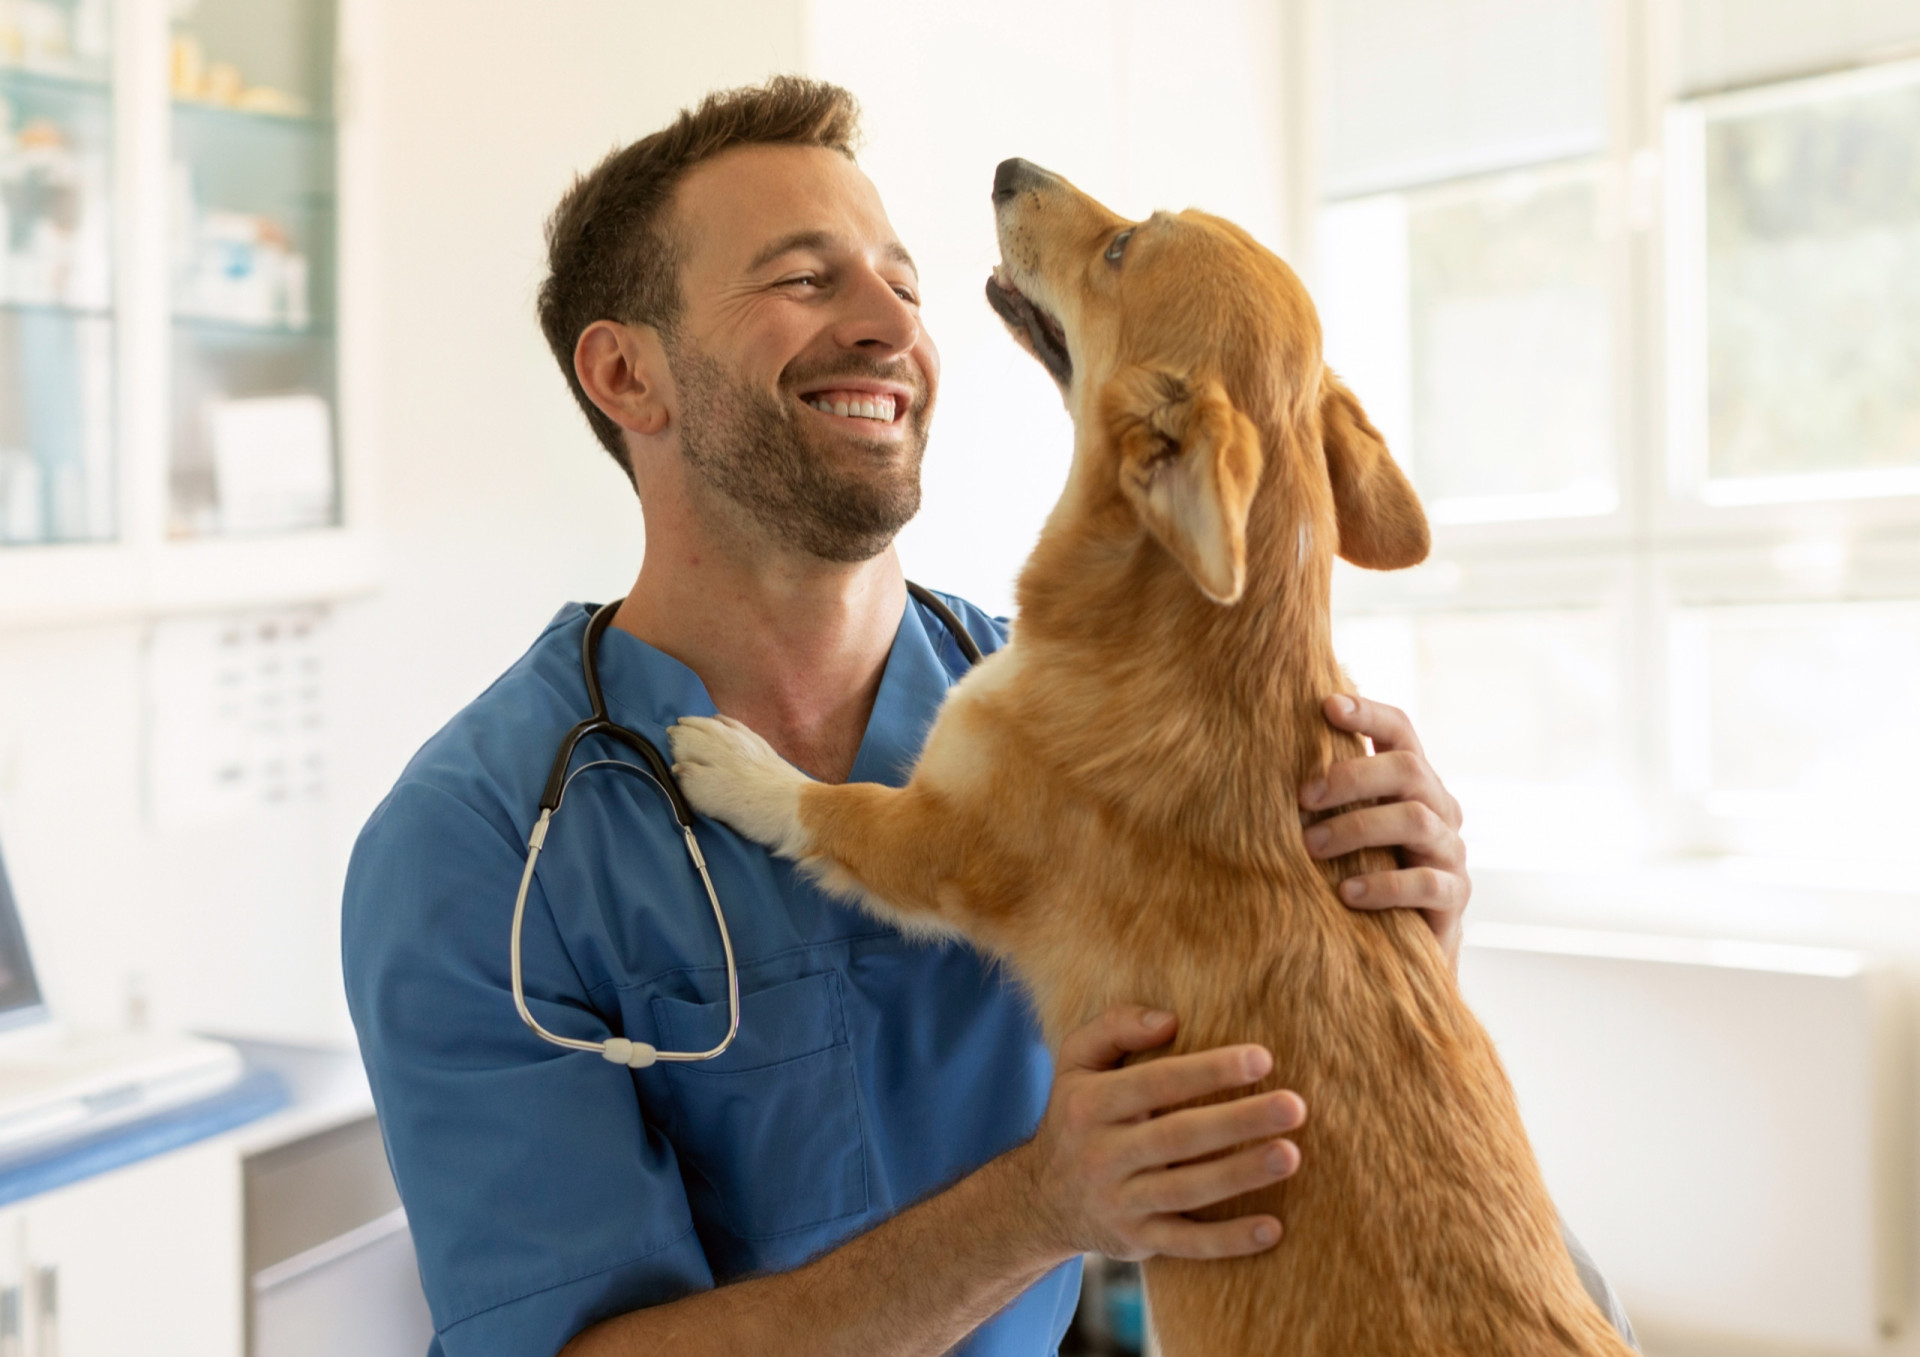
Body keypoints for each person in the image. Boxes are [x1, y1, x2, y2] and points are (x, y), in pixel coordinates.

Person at [343, 76, 1628, 1357]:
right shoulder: (476, 849)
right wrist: (1039, 1206)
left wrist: (1381, 941)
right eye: (806, 280)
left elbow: (1278, 1128)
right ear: (629, 374)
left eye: (902, 284)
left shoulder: (1115, 730)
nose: (890, 326)